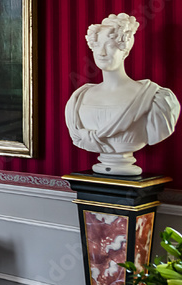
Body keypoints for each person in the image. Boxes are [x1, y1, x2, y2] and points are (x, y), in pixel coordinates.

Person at [65, 13, 180, 175]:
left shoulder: (156, 98)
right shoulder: (80, 97)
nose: (102, 52)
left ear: (125, 50)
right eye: (97, 45)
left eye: (110, 45)